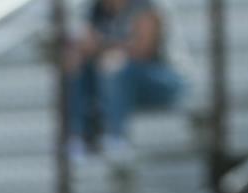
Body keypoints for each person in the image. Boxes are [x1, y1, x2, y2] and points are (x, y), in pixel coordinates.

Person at [64, 0, 187, 160]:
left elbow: (143, 50)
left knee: (116, 66)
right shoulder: (96, 10)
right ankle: (78, 136)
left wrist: (102, 47)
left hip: (163, 80)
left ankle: (116, 137)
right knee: (79, 69)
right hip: (117, 81)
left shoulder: (148, 5)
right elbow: (85, 46)